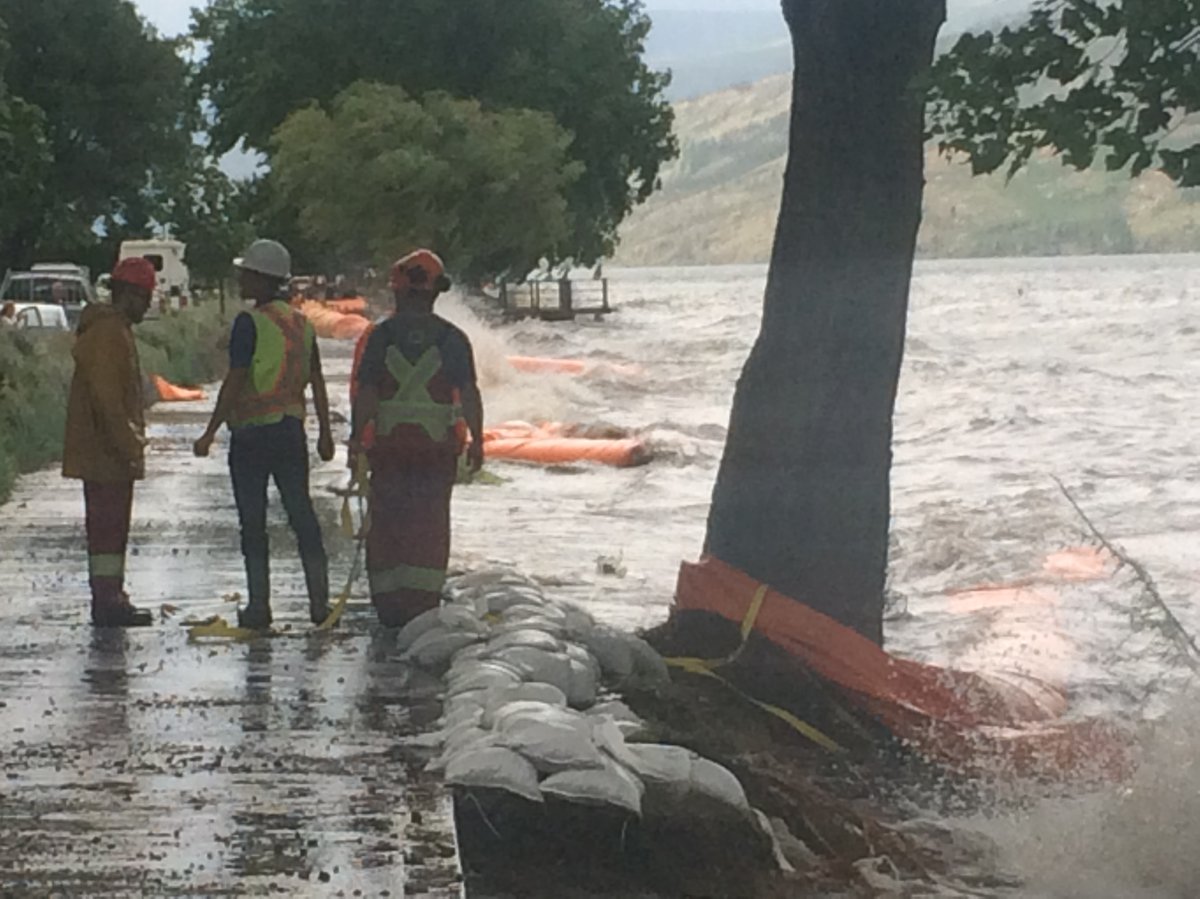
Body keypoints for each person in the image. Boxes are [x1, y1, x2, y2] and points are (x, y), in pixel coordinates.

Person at [193, 239, 335, 630]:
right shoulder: (301, 324)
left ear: (261, 278)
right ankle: (319, 605)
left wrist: (209, 432)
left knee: (253, 523)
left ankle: (259, 608)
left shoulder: (249, 323)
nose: (240, 278)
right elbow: (317, 380)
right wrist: (324, 433)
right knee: (302, 516)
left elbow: (235, 381)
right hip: (290, 433)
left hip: (253, 438)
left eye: (246, 273)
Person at [350, 250, 484, 627]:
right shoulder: (453, 339)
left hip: (390, 449)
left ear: (400, 289)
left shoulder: (380, 337)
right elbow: (469, 393)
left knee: (389, 526)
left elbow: (368, 393)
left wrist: (357, 439)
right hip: (436, 450)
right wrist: (478, 440)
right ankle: (423, 605)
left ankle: (389, 604)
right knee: (429, 526)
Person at [62, 258, 156, 627]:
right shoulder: (107, 333)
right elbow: (107, 398)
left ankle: (110, 594)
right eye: (145, 297)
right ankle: (108, 601)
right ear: (129, 294)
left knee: (110, 532)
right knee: (107, 530)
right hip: (106, 454)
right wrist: (128, 443)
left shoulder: (111, 329)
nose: (148, 305)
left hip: (105, 452)